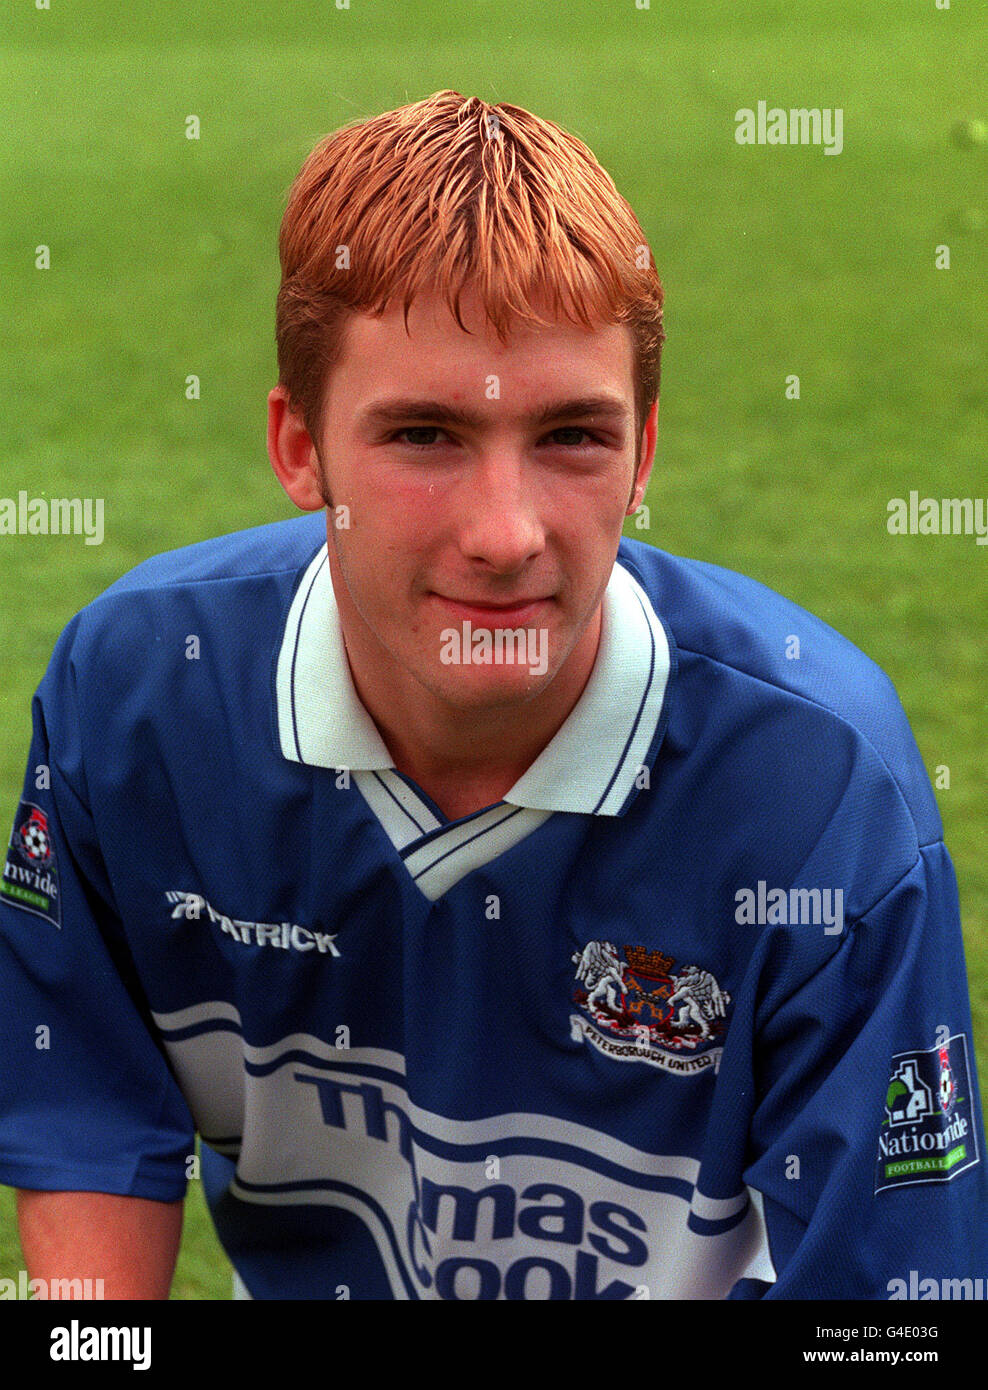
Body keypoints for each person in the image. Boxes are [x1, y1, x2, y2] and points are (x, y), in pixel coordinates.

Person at [1, 90, 984, 1301]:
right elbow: (87, 1131)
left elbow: (889, 1302)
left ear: (645, 456)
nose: (506, 533)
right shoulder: (139, 696)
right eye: (422, 436)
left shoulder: (818, 778)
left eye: (572, 436)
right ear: (299, 447)